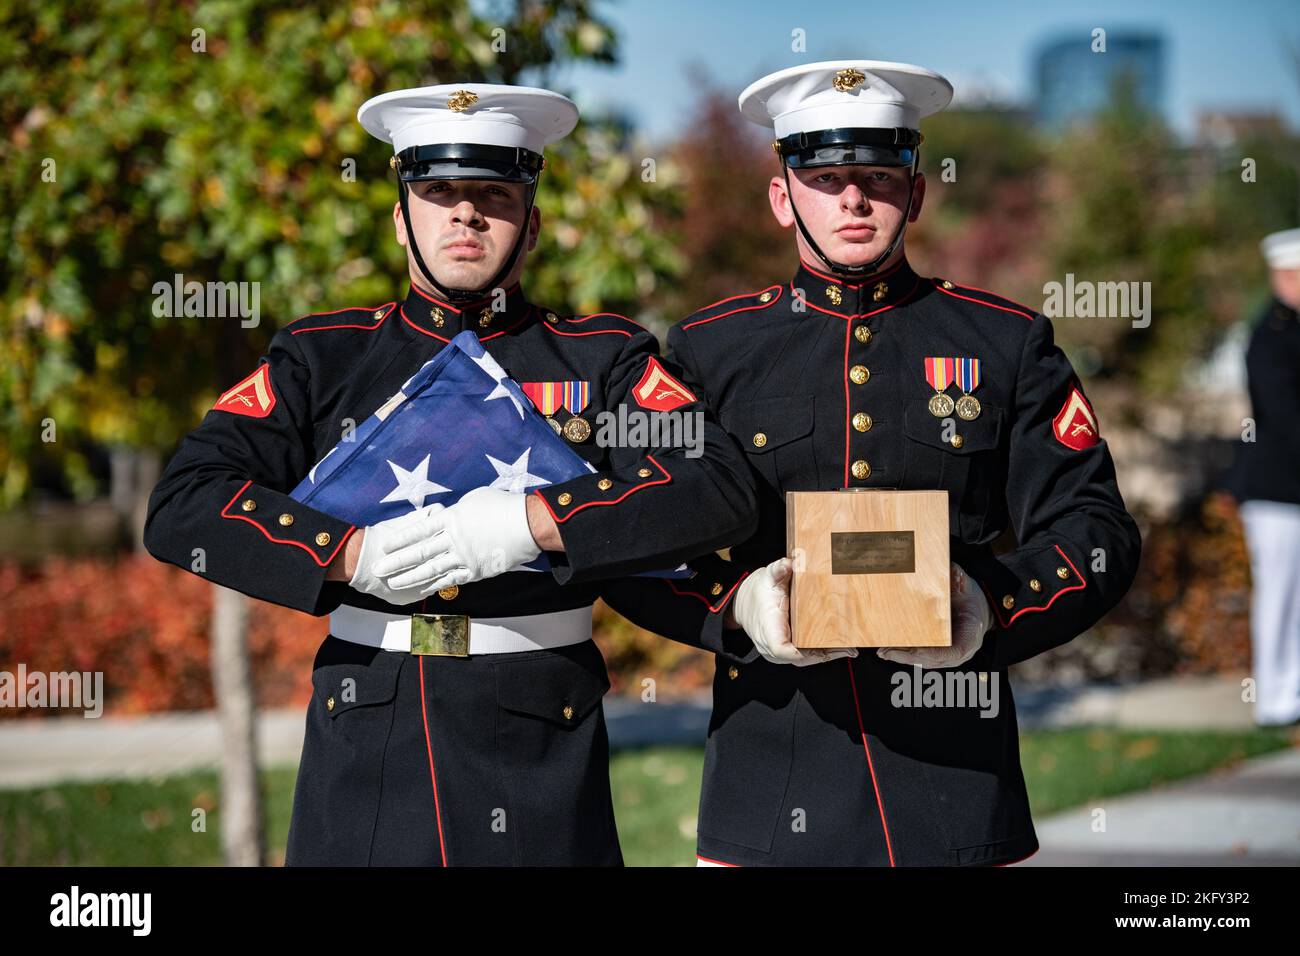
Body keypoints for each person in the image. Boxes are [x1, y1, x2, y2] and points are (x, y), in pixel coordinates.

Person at [142, 83, 757, 866]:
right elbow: (184, 503)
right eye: (438, 192)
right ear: (401, 217)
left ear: (531, 223)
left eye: (494, 194)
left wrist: (532, 521)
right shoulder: (322, 356)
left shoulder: (601, 358)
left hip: (539, 739)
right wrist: (345, 554)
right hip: (368, 733)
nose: (465, 213)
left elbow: (715, 484)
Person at [603, 60, 1142, 866]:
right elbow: (630, 537)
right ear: (783, 197)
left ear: (916, 193)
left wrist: (988, 605)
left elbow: (1096, 529)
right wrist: (737, 607)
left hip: (953, 778)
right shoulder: (710, 351)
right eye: (824, 175)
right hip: (771, 776)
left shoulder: (1003, 343)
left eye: (879, 175)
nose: (853, 198)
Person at [1228, 228, 1300, 726]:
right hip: (1278, 488)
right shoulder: (1272, 335)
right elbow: (1284, 415)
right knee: (1279, 591)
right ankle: (1275, 698)